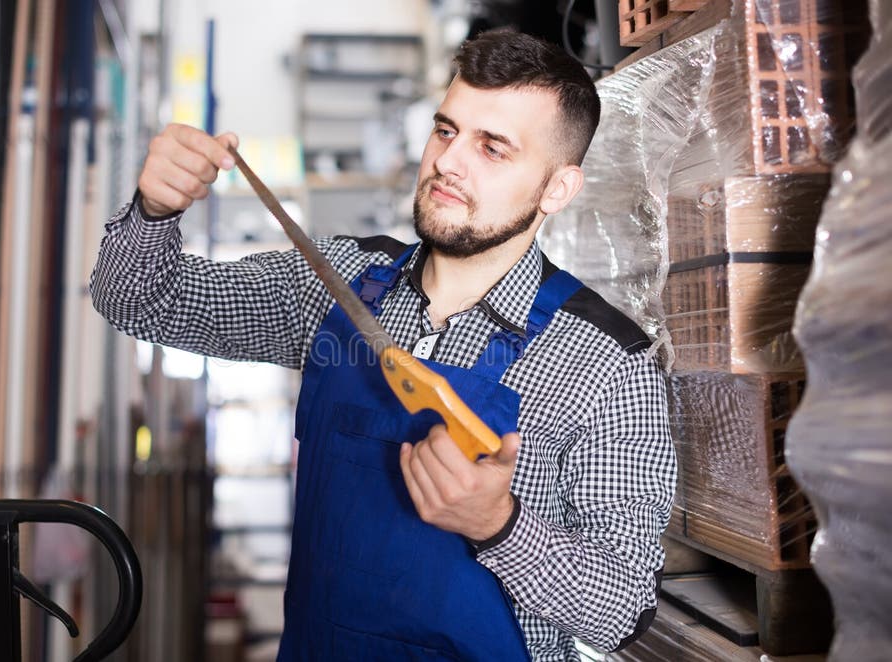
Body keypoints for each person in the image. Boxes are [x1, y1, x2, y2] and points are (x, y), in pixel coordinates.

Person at [91, 28, 676, 662]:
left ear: (557, 189)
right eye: (446, 130)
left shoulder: (608, 364)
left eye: (493, 148)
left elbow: (623, 608)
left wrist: (499, 527)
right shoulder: (335, 287)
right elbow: (137, 300)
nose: (449, 162)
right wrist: (154, 209)